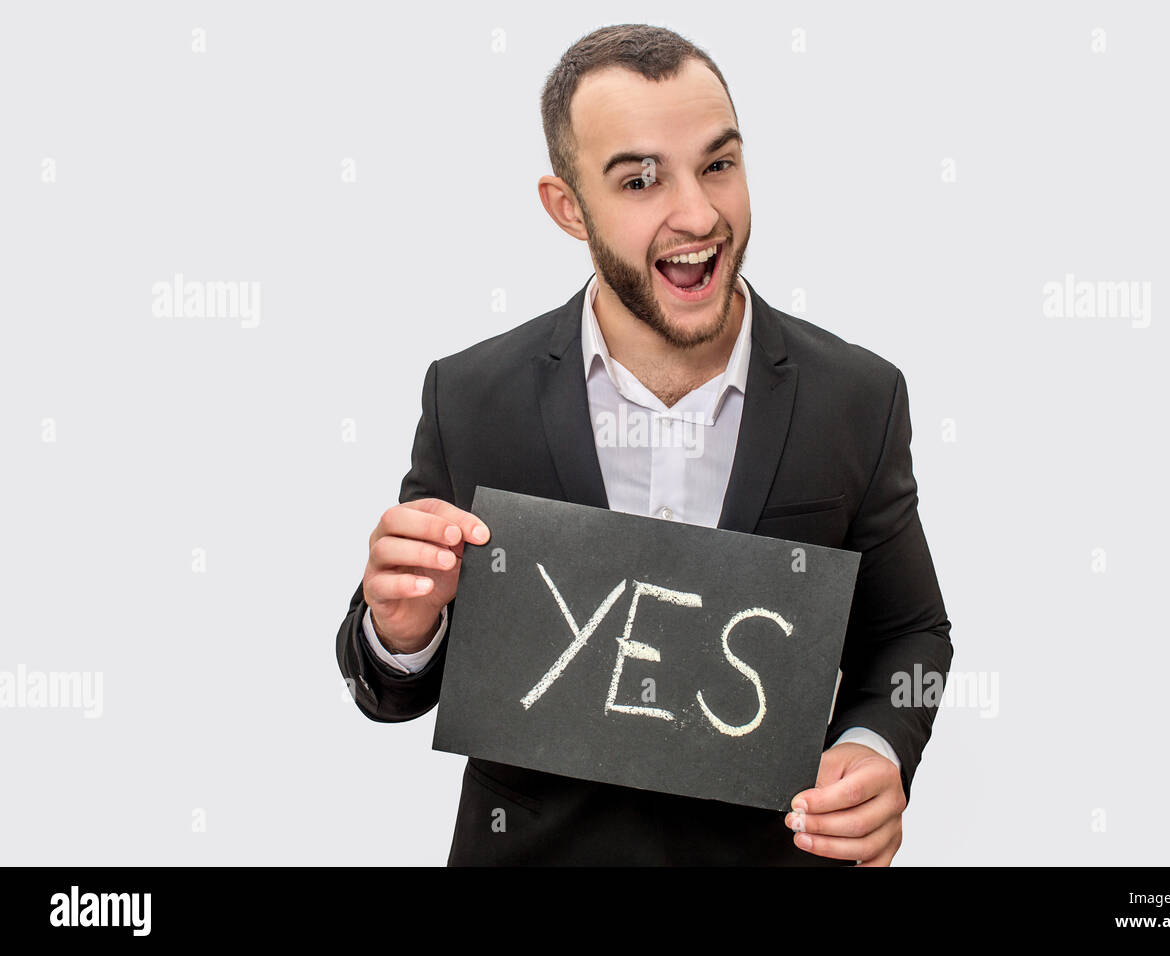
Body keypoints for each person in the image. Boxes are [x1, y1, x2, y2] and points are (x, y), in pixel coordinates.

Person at [336, 23, 953, 866]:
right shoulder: (472, 397)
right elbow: (390, 686)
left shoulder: (856, 397)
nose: (698, 213)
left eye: (719, 164)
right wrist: (403, 632)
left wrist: (877, 751)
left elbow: (909, 632)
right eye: (639, 180)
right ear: (567, 207)